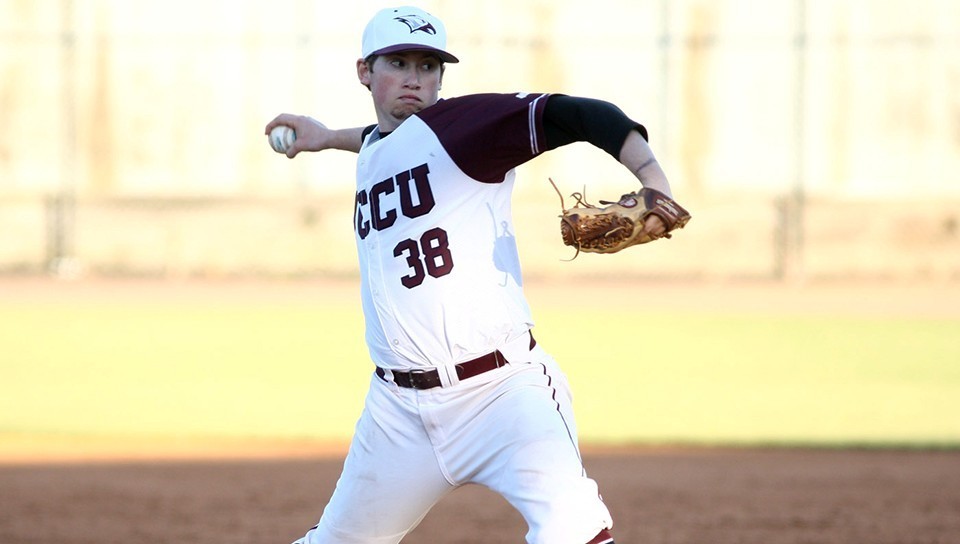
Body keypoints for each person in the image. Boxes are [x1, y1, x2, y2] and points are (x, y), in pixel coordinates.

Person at [265, 6, 678, 544]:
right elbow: (382, 137)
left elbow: (577, 113)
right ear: (364, 71)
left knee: (572, 529)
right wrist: (325, 137)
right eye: (399, 62)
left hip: (501, 392)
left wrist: (652, 176)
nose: (416, 77)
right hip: (396, 414)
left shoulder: (466, 128)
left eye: (429, 66)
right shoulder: (375, 146)